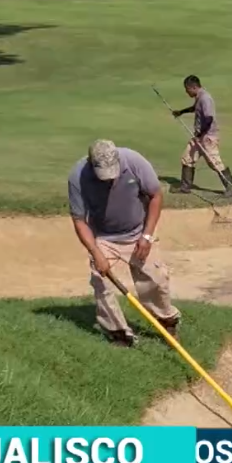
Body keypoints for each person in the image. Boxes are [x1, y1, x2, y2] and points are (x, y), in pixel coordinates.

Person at [68, 139, 181, 348]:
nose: (108, 181)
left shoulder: (135, 162)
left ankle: (166, 321)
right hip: (102, 236)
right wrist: (96, 252)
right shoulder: (78, 176)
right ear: (92, 166)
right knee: (101, 282)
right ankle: (119, 334)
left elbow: (156, 195)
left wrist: (146, 236)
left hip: (138, 230)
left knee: (156, 279)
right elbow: (79, 220)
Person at [172, 75, 232, 196]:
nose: (186, 92)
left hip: (208, 137)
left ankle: (230, 188)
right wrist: (181, 112)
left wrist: (201, 133)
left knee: (214, 162)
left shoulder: (206, 98)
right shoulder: (199, 96)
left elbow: (209, 118)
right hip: (199, 137)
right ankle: (185, 187)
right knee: (187, 158)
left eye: (187, 89)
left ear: (193, 87)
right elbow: (195, 108)